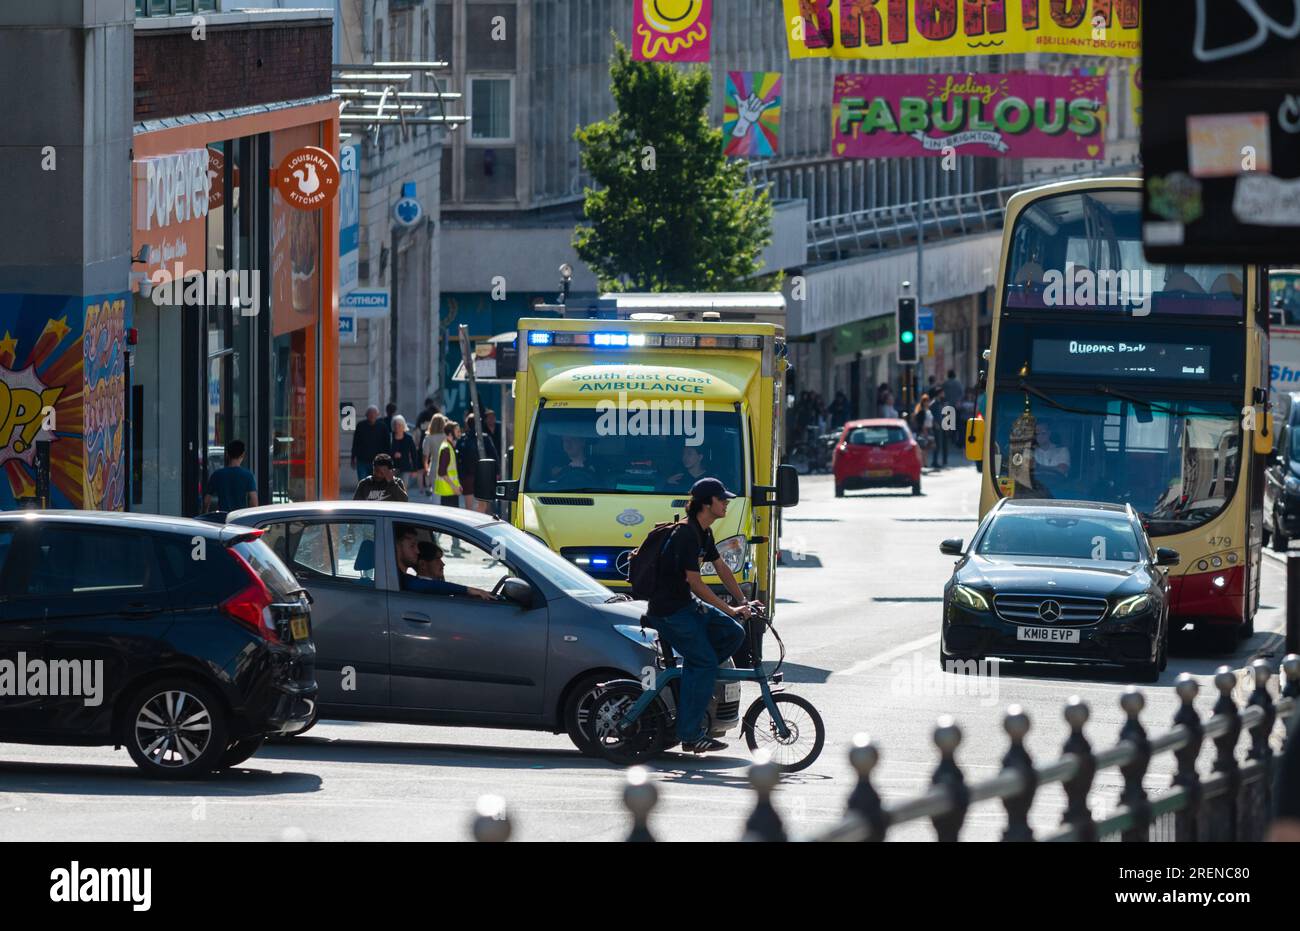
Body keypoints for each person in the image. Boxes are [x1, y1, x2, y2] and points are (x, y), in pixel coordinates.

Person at [643, 477, 756, 754]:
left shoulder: (704, 532)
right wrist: (729, 609)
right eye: (722, 499)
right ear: (706, 504)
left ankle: (694, 681)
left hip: (685, 607)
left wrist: (744, 601)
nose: (727, 503)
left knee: (734, 632)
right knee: (704, 661)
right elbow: (695, 583)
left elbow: (721, 569)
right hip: (669, 612)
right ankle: (690, 733)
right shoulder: (685, 535)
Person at [393, 529, 493, 600]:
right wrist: (467, 590)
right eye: (412, 546)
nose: (417, 551)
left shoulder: (399, 576)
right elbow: (424, 585)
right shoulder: (398, 578)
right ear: (397, 547)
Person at [203, 440, 258, 513]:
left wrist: (205, 513)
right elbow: (254, 501)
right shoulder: (248, 475)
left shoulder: (217, 475)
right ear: (243, 455)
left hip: (222, 518)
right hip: (239, 518)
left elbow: (206, 500)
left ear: (227, 454)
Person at [350, 405, 391, 483]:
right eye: (370, 413)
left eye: (374, 413)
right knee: (363, 483)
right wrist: (353, 458)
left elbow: (387, 445)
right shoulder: (360, 426)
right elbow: (355, 442)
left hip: (378, 462)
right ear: (366, 415)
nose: (372, 415)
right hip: (362, 460)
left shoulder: (383, 427)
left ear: (377, 415)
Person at [434, 421, 463, 508]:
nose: (460, 433)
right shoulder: (446, 448)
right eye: (457, 431)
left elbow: (452, 471)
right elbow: (442, 472)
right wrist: (454, 487)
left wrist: (458, 485)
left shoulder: (449, 446)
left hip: (450, 491)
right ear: (450, 434)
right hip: (449, 492)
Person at [389, 415, 422, 489]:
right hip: (392, 468)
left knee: (403, 488)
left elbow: (414, 454)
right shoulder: (390, 437)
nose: (397, 427)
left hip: (405, 468)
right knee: (392, 489)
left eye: (399, 425)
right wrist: (393, 454)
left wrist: (415, 470)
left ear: (403, 425)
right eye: (395, 425)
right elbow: (385, 452)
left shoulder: (409, 438)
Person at [421, 413, 447, 499]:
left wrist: (425, 468)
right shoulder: (447, 437)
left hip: (434, 466)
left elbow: (425, 455)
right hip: (447, 466)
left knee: (435, 492)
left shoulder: (429, 438)